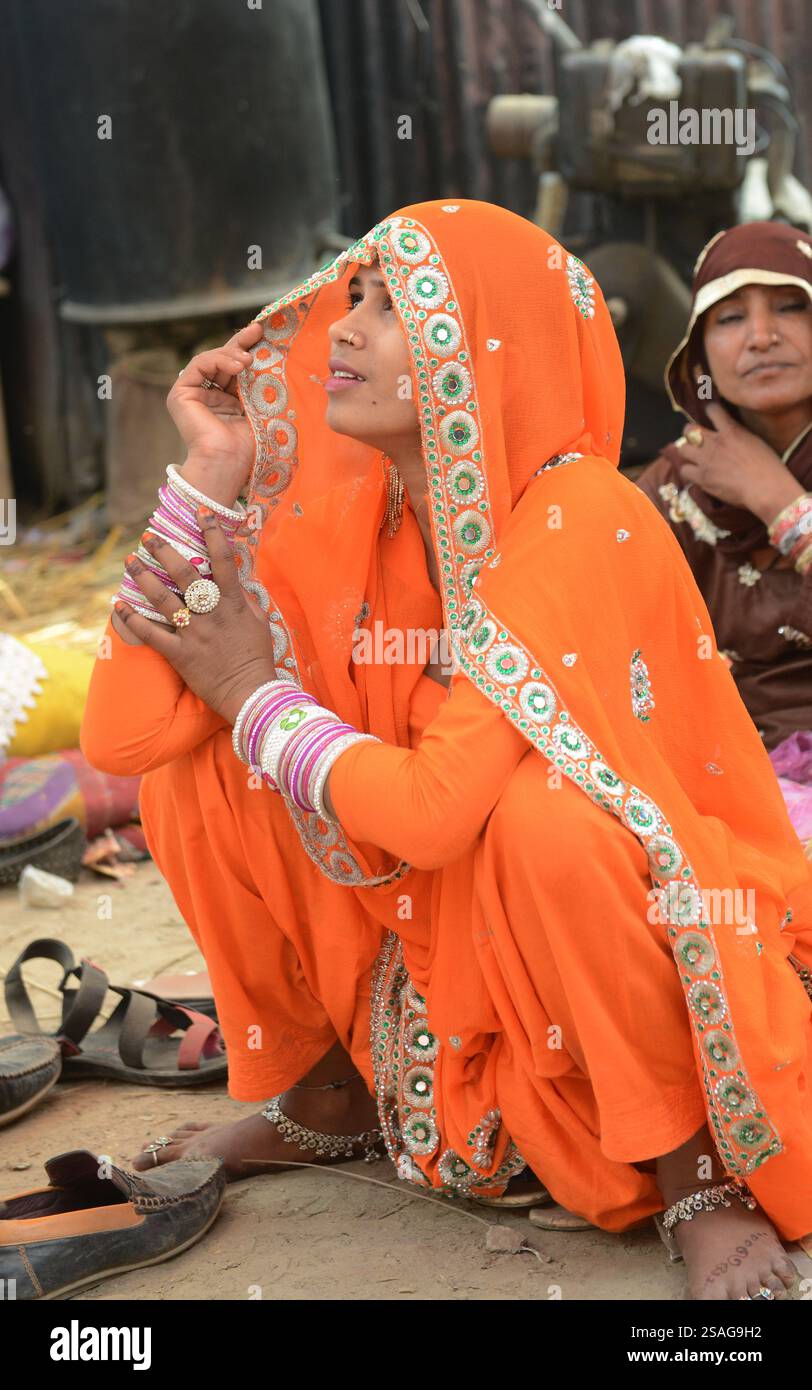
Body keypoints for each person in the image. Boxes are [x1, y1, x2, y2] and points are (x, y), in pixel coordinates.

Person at [81, 199, 812, 1301]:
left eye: (389, 304)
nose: (343, 329)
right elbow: (125, 737)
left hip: (640, 922)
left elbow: (432, 812)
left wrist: (252, 689)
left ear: (487, 342)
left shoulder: (577, 512)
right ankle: (325, 1090)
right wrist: (208, 478)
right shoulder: (346, 522)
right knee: (206, 763)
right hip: (436, 945)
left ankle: (691, 1164)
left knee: (537, 816)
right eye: (353, 298)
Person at [636, 221, 812, 753]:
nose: (761, 337)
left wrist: (778, 502)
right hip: (727, 769)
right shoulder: (677, 485)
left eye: (790, 306)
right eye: (731, 318)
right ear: (698, 357)